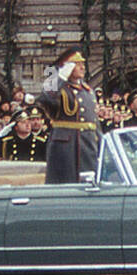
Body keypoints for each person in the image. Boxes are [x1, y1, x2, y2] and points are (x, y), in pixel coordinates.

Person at [37, 49, 100, 184]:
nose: (83, 67)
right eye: (77, 64)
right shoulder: (60, 88)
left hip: (87, 146)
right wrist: (59, 77)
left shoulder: (88, 91)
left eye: (82, 64)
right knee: (64, 184)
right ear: (67, 67)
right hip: (66, 147)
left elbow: (94, 122)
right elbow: (45, 98)